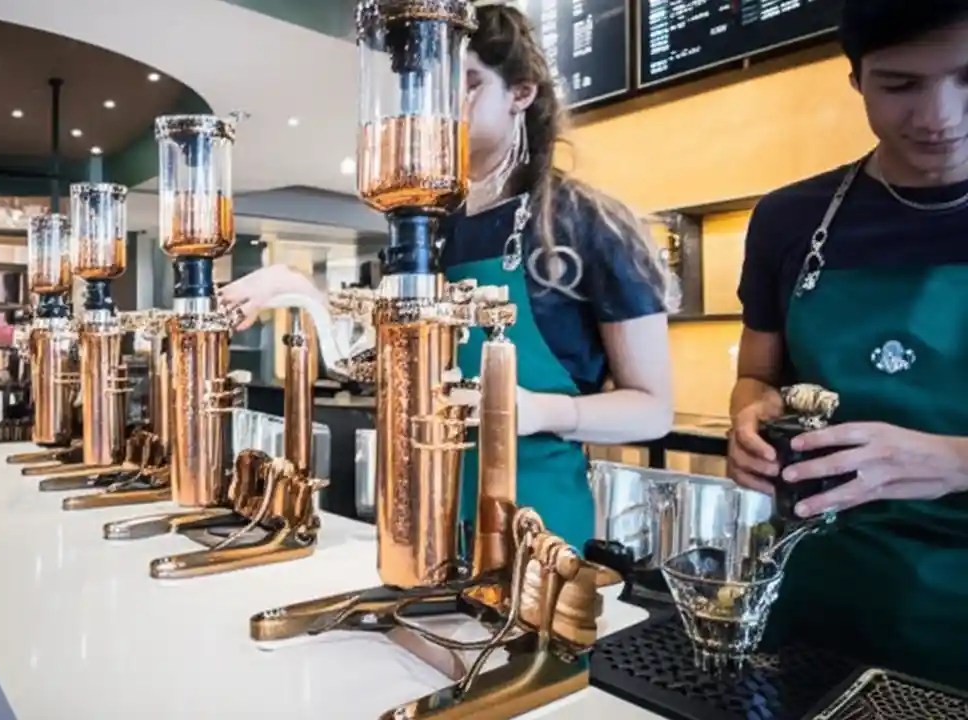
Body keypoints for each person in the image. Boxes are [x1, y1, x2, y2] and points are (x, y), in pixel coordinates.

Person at [220, 1, 674, 550]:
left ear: (521, 94)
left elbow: (652, 408)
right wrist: (300, 290)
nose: (446, 104)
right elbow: (380, 364)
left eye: (470, 84)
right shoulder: (426, 226)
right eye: (435, 87)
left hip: (534, 528)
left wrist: (536, 410)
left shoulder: (587, 225)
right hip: (420, 512)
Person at [727, 0, 968, 688]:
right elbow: (757, 378)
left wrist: (954, 461)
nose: (938, 116)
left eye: (967, 78)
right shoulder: (789, 221)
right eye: (900, 85)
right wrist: (751, 414)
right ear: (857, 78)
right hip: (820, 596)